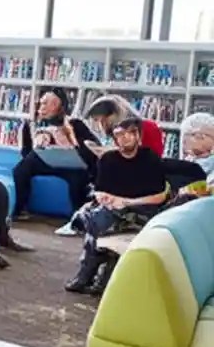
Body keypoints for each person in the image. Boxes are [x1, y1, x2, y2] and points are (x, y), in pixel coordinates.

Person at [64, 118, 170, 296]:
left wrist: (127, 202)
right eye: (120, 134)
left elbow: (160, 197)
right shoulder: (108, 159)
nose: (126, 138)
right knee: (100, 215)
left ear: (138, 136)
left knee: (99, 222)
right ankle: (101, 276)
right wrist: (105, 197)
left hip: (141, 208)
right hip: (112, 207)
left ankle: (87, 273)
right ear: (114, 138)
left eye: (131, 133)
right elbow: (99, 191)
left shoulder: (150, 159)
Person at [11, 87, 98, 219]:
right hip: (44, 163)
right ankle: (18, 211)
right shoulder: (31, 125)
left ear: (61, 107)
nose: (43, 107)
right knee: (21, 169)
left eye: (49, 104)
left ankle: (80, 219)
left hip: (69, 166)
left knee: (78, 179)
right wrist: (37, 147)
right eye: (42, 103)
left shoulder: (75, 124)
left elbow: (94, 148)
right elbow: (25, 151)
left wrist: (69, 143)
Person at [83, 95, 164, 156]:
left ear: (116, 113)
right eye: (97, 120)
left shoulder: (148, 128)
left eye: (103, 120)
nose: (102, 125)